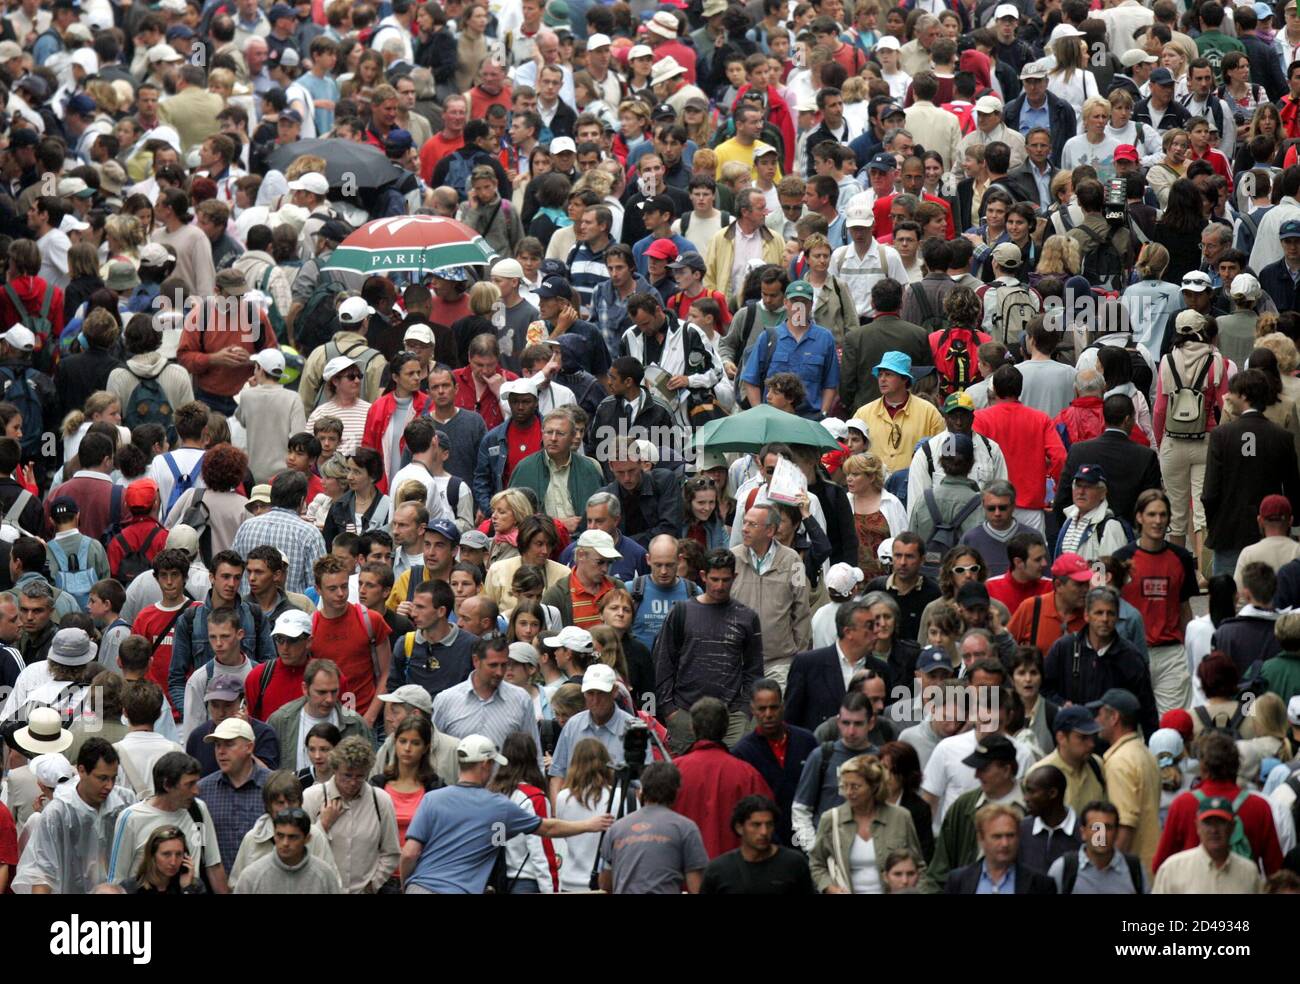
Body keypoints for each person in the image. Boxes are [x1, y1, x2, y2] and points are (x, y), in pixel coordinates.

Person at [401, 733, 612, 894]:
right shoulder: (499, 805)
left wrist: (407, 885)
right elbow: (548, 828)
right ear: (484, 763)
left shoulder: (432, 798)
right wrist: (589, 825)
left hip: (419, 886)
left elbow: (409, 853)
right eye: (492, 763)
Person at [1204, 367, 1300, 577]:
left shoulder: (1221, 435)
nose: (1228, 397)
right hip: (1271, 529)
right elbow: (1292, 487)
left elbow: (1210, 490)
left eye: (1232, 393)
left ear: (1244, 396)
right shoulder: (1282, 437)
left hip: (1229, 528)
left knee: (1228, 597)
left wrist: (1214, 522)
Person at [13, 738, 136, 894]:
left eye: (113, 778)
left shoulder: (125, 802)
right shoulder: (58, 813)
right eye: (102, 778)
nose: (109, 786)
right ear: (82, 770)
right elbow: (42, 872)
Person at [1152, 729, 1283, 875]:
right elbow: (1275, 869)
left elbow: (1159, 865)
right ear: (1237, 766)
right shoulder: (1259, 807)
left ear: (1203, 767)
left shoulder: (1183, 805)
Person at [107, 751, 227, 892]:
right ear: (167, 785)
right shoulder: (131, 818)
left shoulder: (198, 809)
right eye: (189, 784)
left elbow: (213, 864)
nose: (196, 791)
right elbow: (116, 878)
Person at [807, 752, 925, 895]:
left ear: (874, 787)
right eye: (844, 786)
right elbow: (816, 863)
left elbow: (918, 865)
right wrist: (830, 888)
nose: (849, 792)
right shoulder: (831, 819)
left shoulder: (900, 817)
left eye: (855, 786)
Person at [673, 697, 773, 859]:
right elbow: (768, 819)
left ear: (692, 728)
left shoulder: (674, 772)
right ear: (726, 728)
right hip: (735, 873)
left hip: (684, 873)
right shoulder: (747, 774)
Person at [301, 735, 401, 894]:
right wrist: (323, 826)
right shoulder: (312, 797)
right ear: (335, 769)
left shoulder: (380, 801)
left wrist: (372, 886)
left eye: (360, 776)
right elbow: (300, 850)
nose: (353, 782)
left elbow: (391, 852)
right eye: (347, 775)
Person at [597, 760, 708, 895]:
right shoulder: (685, 828)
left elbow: (605, 883)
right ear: (676, 791)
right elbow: (696, 887)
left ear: (643, 789)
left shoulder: (616, 828)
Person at [730, 504, 811, 686]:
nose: (744, 529)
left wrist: (799, 654)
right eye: (744, 523)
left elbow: (802, 610)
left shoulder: (794, 561)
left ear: (770, 530)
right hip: (739, 661)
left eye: (752, 524)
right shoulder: (732, 558)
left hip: (780, 663)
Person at [791, 692, 881, 851]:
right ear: (838, 722)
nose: (851, 731)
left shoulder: (880, 760)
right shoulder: (822, 756)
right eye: (846, 723)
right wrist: (814, 850)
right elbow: (801, 809)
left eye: (858, 724)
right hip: (829, 852)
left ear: (871, 723)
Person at [700, 794, 815, 894]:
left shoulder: (794, 864)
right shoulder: (719, 870)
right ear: (740, 827)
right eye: (756, 825)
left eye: (769, 824)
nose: (764, 832)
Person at [1152, 796, 1265, 894]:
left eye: (1220, 822)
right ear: (1197, 826)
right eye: (1208, 823)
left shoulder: (1249, 872)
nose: (1214, 830)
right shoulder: (1173, 869)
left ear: (1232, 827)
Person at [942, 803, 1057, 894]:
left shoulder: (1040, 884)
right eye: (997, 837)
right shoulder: (959, 880)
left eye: (1010, 835)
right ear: (981, 838)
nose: (1005, 843)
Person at [234, 806, 343, 894]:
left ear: (307, 839)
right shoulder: (251, 876)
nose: (285, 843)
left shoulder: (325, 876)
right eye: (280, 835)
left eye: (293, 837)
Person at [1048, 800, 1147, 894]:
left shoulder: (1134, 869)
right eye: (1095, 828)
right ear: (1083, 832)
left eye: (1107, 827)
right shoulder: (1063, 868)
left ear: (1117, 833)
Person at [123, 824, 205, 895]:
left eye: (178, 854)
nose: (173, 862)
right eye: (166, 854)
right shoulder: (130, 888)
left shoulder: (195, 886)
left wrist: (187, 890)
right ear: (152, 855)